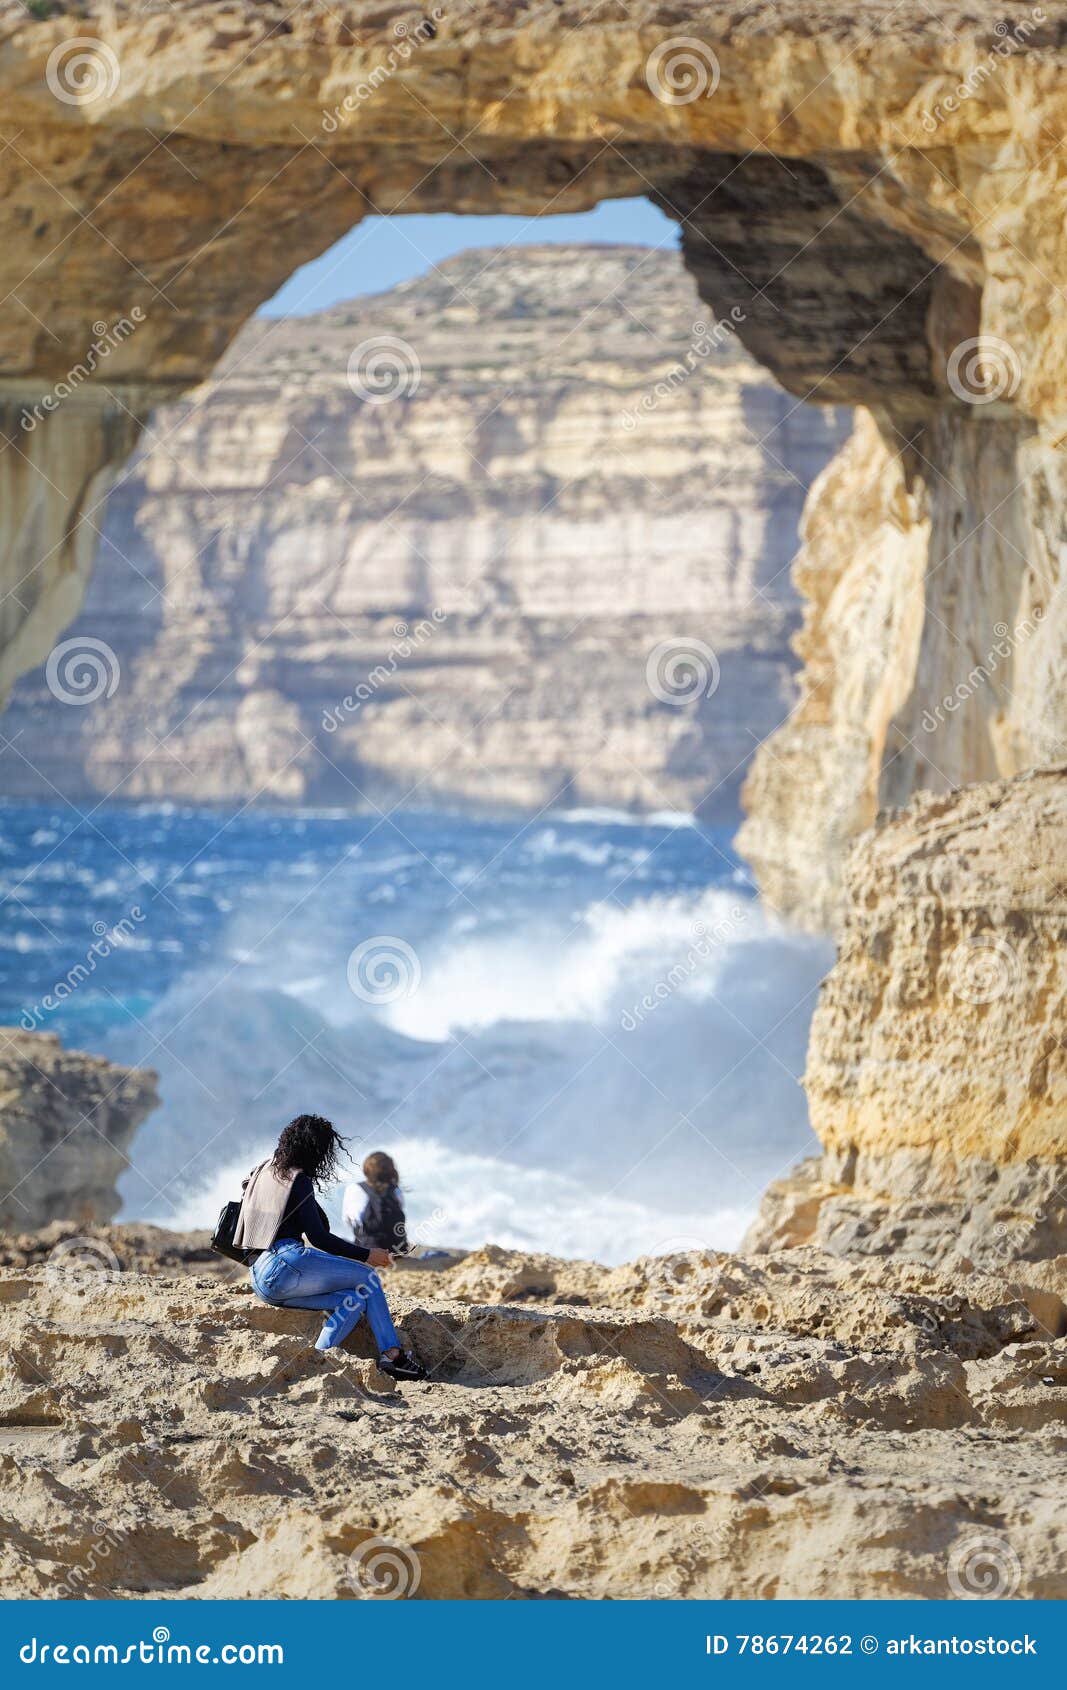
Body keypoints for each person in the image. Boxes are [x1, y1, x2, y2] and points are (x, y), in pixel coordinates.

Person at [235, 1113, 426, 1382]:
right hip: (285, 1263)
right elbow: (319, 1238)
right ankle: (393, 1356)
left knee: (353, 1299)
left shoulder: (262, 1171)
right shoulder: (297, 1179)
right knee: (368, 1279)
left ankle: (317, 1359)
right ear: (315, 1149)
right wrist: (368, 1255)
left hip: (259, 1278)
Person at [343, 1150, 409, 1256]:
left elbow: (348, 1220)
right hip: (397, 1252)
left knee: (341, 1241)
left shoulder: (354, 1189)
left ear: (366, 1169)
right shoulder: (396, 1190)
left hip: (368, 1252)